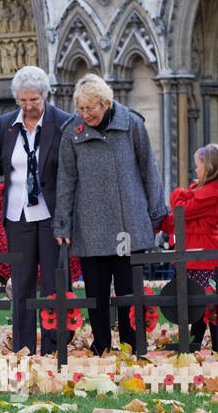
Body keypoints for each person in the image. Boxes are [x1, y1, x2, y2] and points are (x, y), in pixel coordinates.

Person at [54, 73, 168, 355]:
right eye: (80, 109)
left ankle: (132, 344)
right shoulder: (72, 132)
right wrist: (63, 225)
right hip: (91, 225)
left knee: (128, 289)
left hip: (124, 224)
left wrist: (156, 213)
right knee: (96, 291)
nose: (85, 114)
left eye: (90, 109)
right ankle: (101, 344)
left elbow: (148, 169)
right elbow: (66, 180)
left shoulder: (131, 124)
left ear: (105, 104)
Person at [0, 64, 71, 354]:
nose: (27, 107)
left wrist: (65, 221)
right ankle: (23, 347)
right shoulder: (7, 124)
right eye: (22, 101)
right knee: (21, 283)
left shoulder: (63, 123)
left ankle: (52, 346)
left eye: (33, 101)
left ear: (45, 96)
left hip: (50, 216)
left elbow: (68, 175)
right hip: (17, 214)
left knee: (52, 283)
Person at [160, 143, 218, 349]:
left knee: (211, 307)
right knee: (197, 307)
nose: (195, 170)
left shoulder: (211, 195)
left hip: (205, 258)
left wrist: (177, 194)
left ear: (209, 168)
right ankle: (193, 347)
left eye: (198, 166)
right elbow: (178, 219)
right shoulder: (199, 192)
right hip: (194, 256)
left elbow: (182, 210)